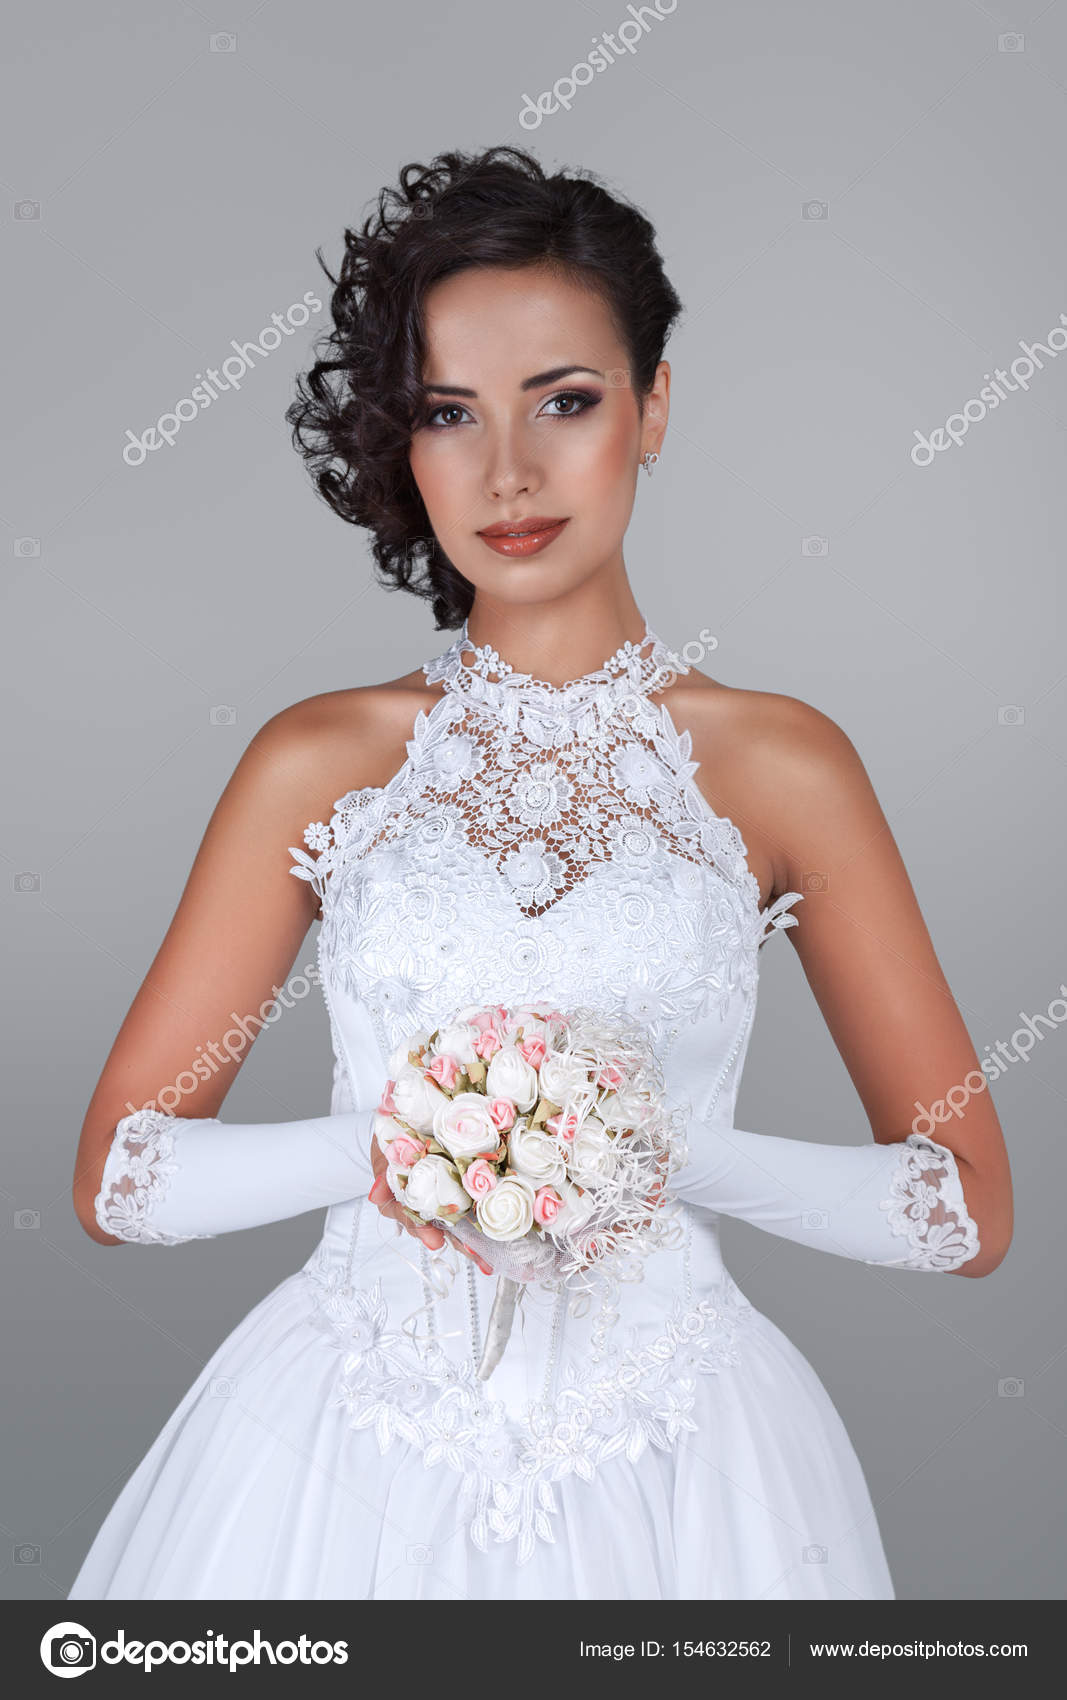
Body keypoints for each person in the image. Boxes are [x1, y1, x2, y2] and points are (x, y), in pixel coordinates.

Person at [68, 145, 1012, 1601]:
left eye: (565, 401)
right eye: (450, 414)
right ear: (404, 441)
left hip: (686, 1469)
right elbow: (123, 1180)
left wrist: (654, 1154)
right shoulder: (318, 760)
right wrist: (406, 1151)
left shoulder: (784, 766)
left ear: (654, 408)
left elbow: (962, 1210)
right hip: (340, 1455)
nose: (507, 471)